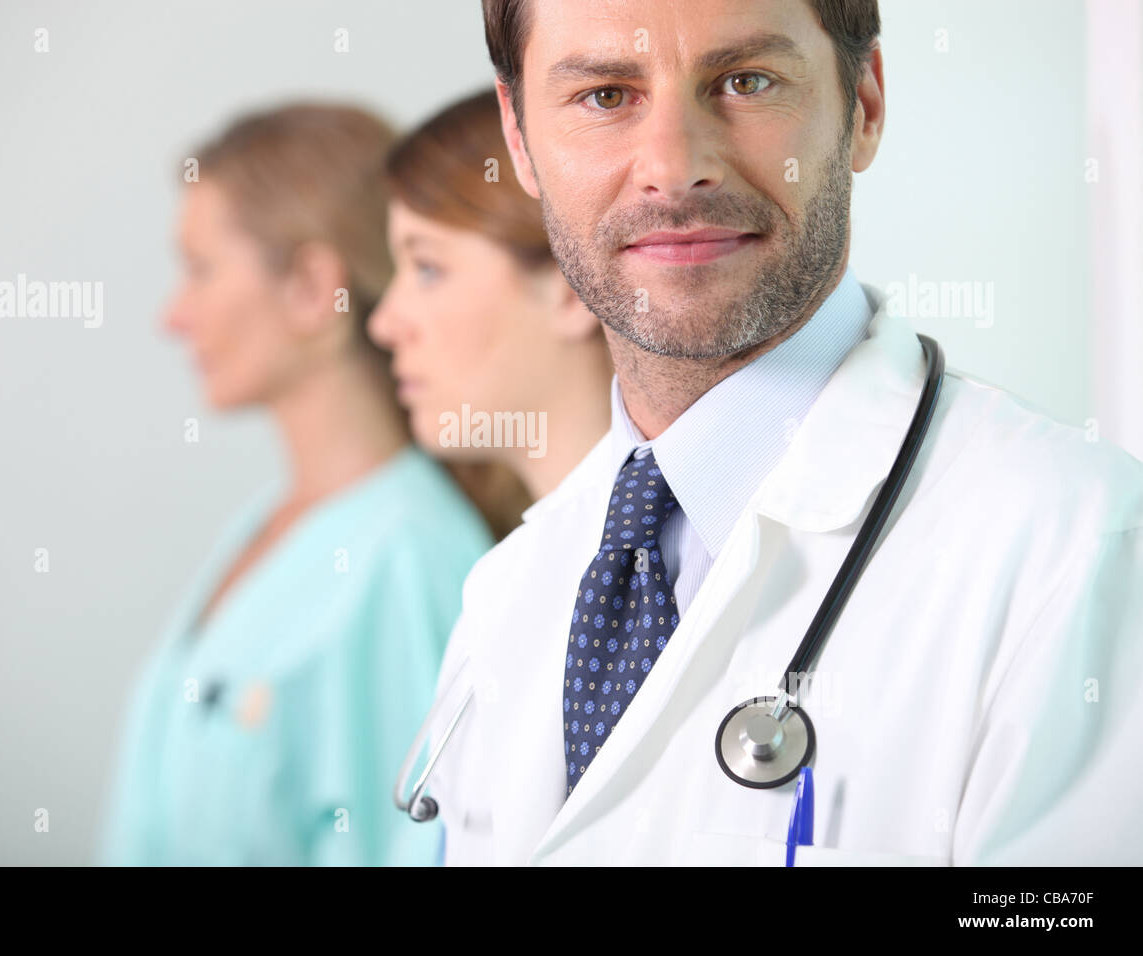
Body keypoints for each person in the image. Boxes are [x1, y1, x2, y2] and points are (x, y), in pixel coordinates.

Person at [419, 0, 1143, 865]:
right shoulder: (507, 596)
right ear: (521, 139)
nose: (674, 168)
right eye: (607, 96)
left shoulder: (1075, 549)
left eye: (745, 81)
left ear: (864, 105)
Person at [97, 103, 492, 866]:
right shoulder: (264, 529)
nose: (172, 317)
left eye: (201, 269)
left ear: (314, 287)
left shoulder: (407, 557)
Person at [368, 89, 612, 539]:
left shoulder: (720, 557)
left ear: (574, 287)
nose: (383, 324)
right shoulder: (500, 593)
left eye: (427, 269)